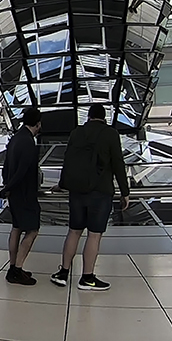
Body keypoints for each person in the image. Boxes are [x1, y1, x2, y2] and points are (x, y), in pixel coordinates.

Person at [51, 104, 130, 291]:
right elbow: (118, 163)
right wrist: (125, 192)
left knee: (74, 231)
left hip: (76, 192)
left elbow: (68, 159)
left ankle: (63, 273)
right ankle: (87, 278)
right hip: (100, 192)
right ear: (104, 117)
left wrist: (62, 185)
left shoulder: (76, 133)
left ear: (88, 116)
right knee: (94, 235)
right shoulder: (110, 134)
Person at [0, 107, 41, 285]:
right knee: (32, 230)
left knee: (16, 227)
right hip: (25, 193)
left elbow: (7, 166)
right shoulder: (29, 142)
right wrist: (10, 186)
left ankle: (13, 266)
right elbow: (23, 170)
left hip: (15, 194)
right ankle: (17, 269)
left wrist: (7, 186)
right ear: (38, 124)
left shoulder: (16, 138)